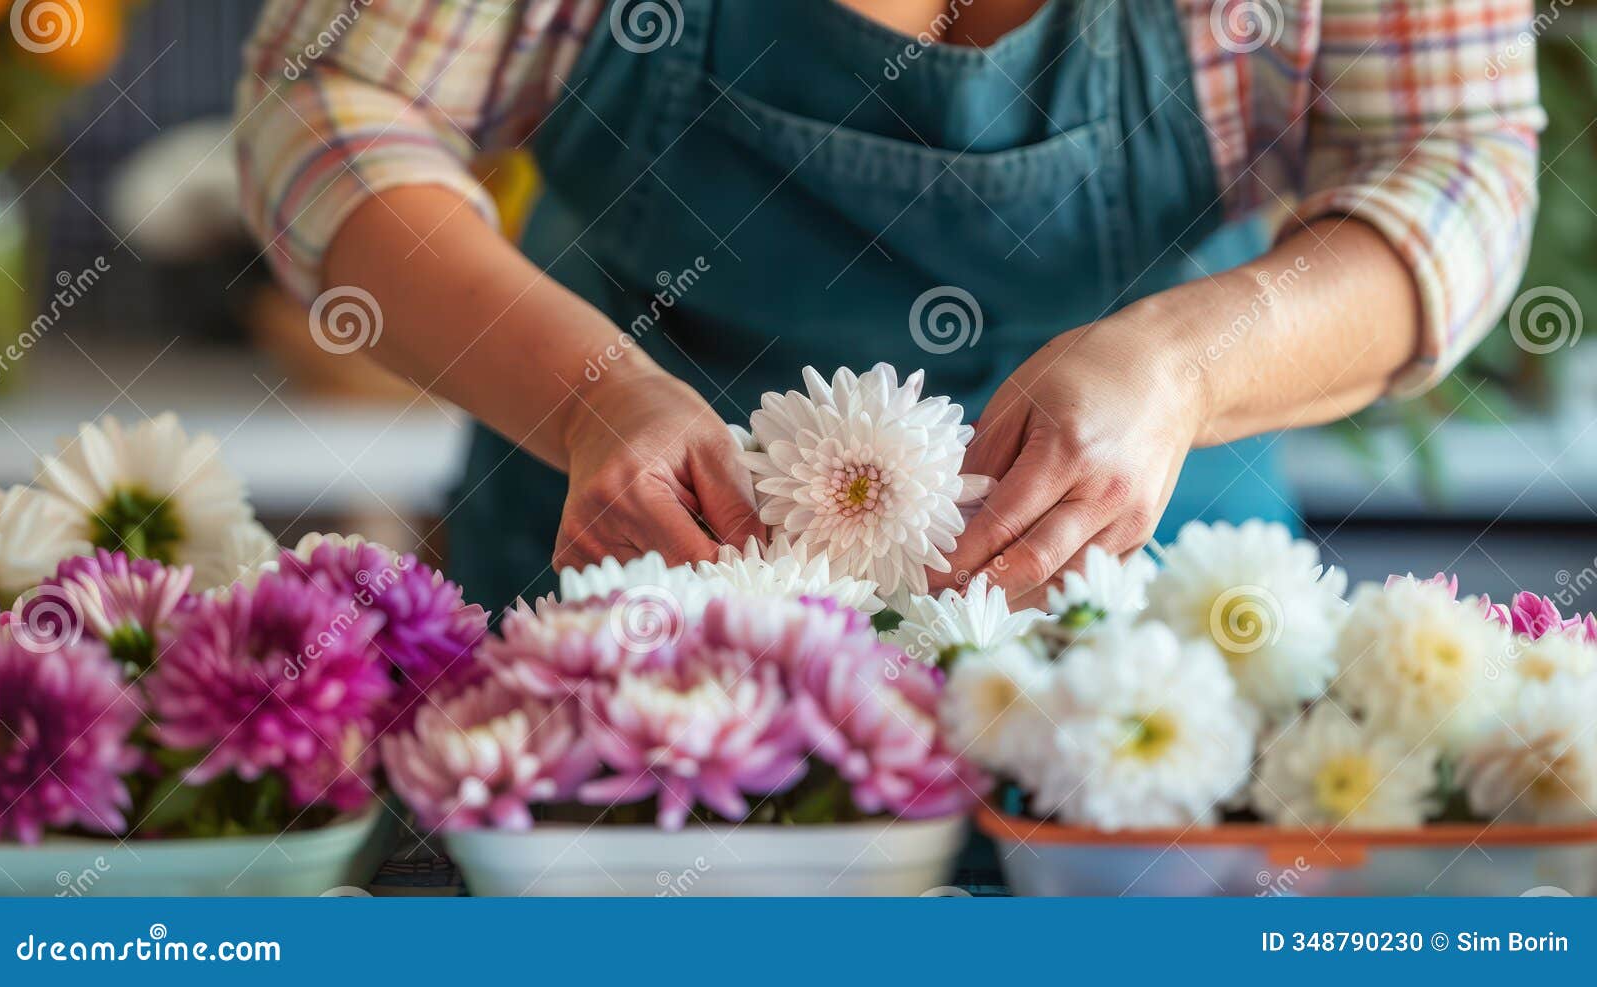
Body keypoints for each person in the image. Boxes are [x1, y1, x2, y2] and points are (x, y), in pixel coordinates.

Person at [236, 0, 1542, 615]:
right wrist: (595, 397)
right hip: (622, 641)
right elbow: (329, 105)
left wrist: (1185, 368)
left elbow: (1455, 161)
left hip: (1151, 641)